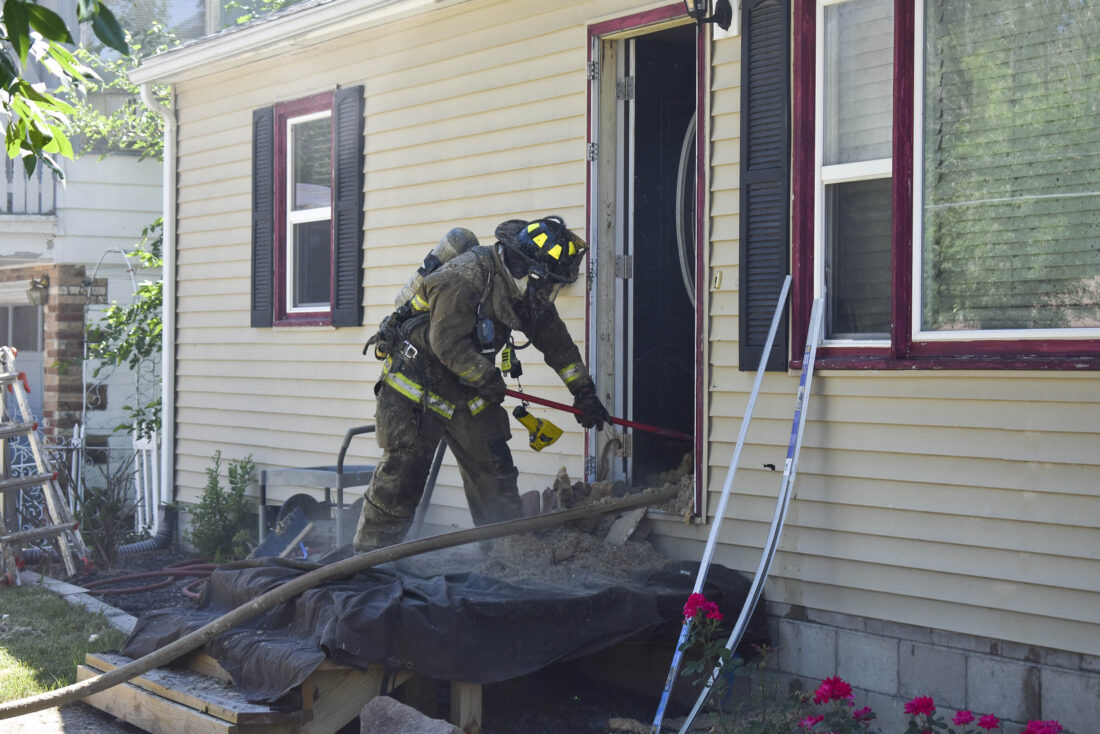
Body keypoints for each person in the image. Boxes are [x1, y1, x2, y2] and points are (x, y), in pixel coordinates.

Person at [353, 216, 611, 551]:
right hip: (415, 386)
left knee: (495, 475)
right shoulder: (463, 278)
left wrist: (584, 392)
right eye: (547, 282)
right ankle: (369, 562)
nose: (549, 291)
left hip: (468, 390)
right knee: (402, 476)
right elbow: (447, 343)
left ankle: (505, 556)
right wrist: (487, 377)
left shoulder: (525, 292)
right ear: (526, 269)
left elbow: (557, 343)